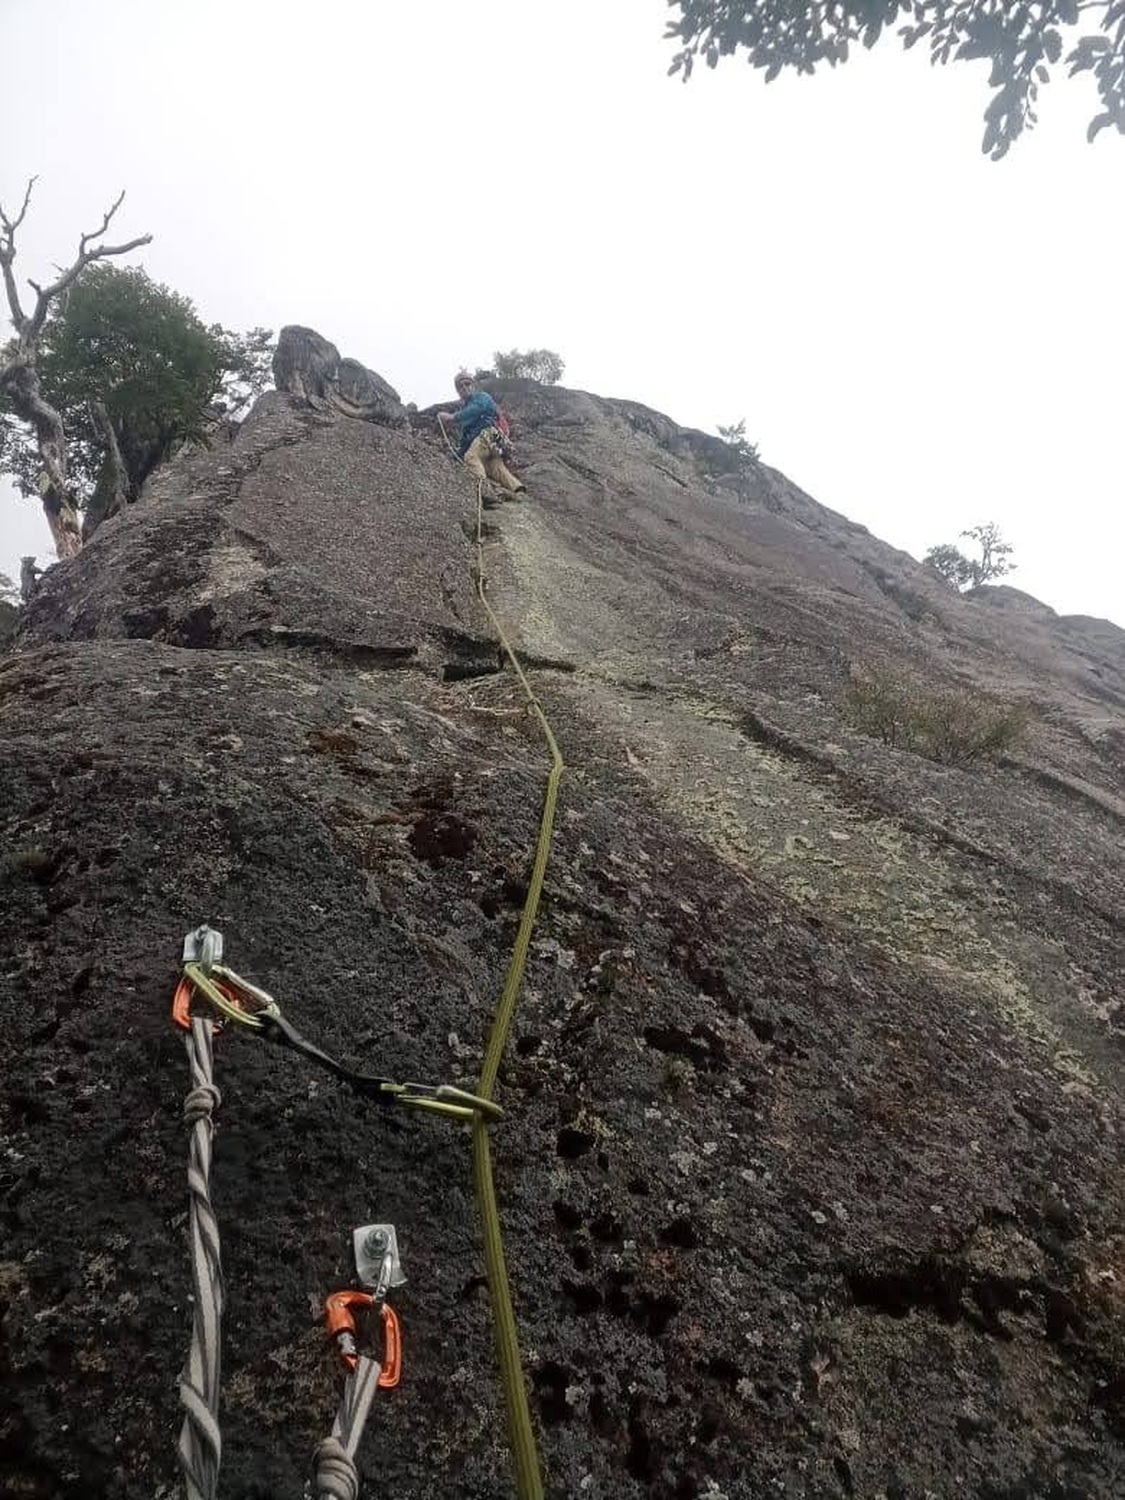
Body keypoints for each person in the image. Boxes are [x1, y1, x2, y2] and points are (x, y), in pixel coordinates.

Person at [438, 372, 527, 502]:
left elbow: (478, 408)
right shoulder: (465, 410)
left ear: (473, 386)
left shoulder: (482, 397)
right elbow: (466, 441)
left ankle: (485, 491)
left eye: (467, 383)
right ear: (458, 391)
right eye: (460, 386)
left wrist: (453, 417)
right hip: (487, 445)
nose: (464, 387)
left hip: (489, 436)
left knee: (471, 457)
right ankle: (517, 489)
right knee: (494, 467)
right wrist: (454, 456)